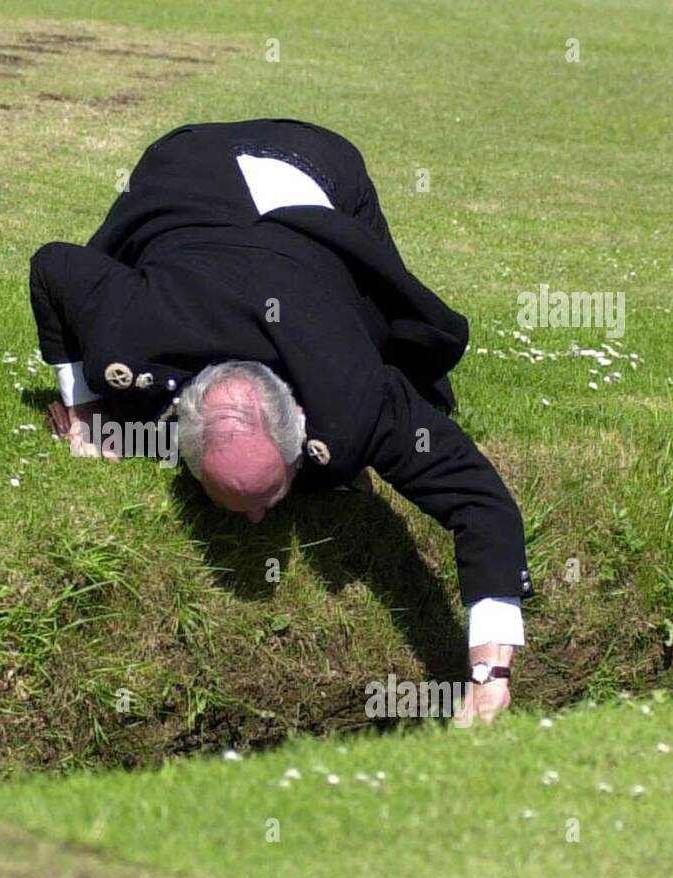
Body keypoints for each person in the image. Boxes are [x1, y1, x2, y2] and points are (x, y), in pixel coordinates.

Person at [30, 119, 531, 722]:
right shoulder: (131, 340)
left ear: (300, 418)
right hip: (188, 169)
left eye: (270, 492)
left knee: (396, 340)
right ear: (183, 424)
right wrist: (83, 402)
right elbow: (54, 265)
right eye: (239, 501)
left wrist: (488, 675)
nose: (259, 519)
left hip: (315, 166)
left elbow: (479, 503)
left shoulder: (353, 401)